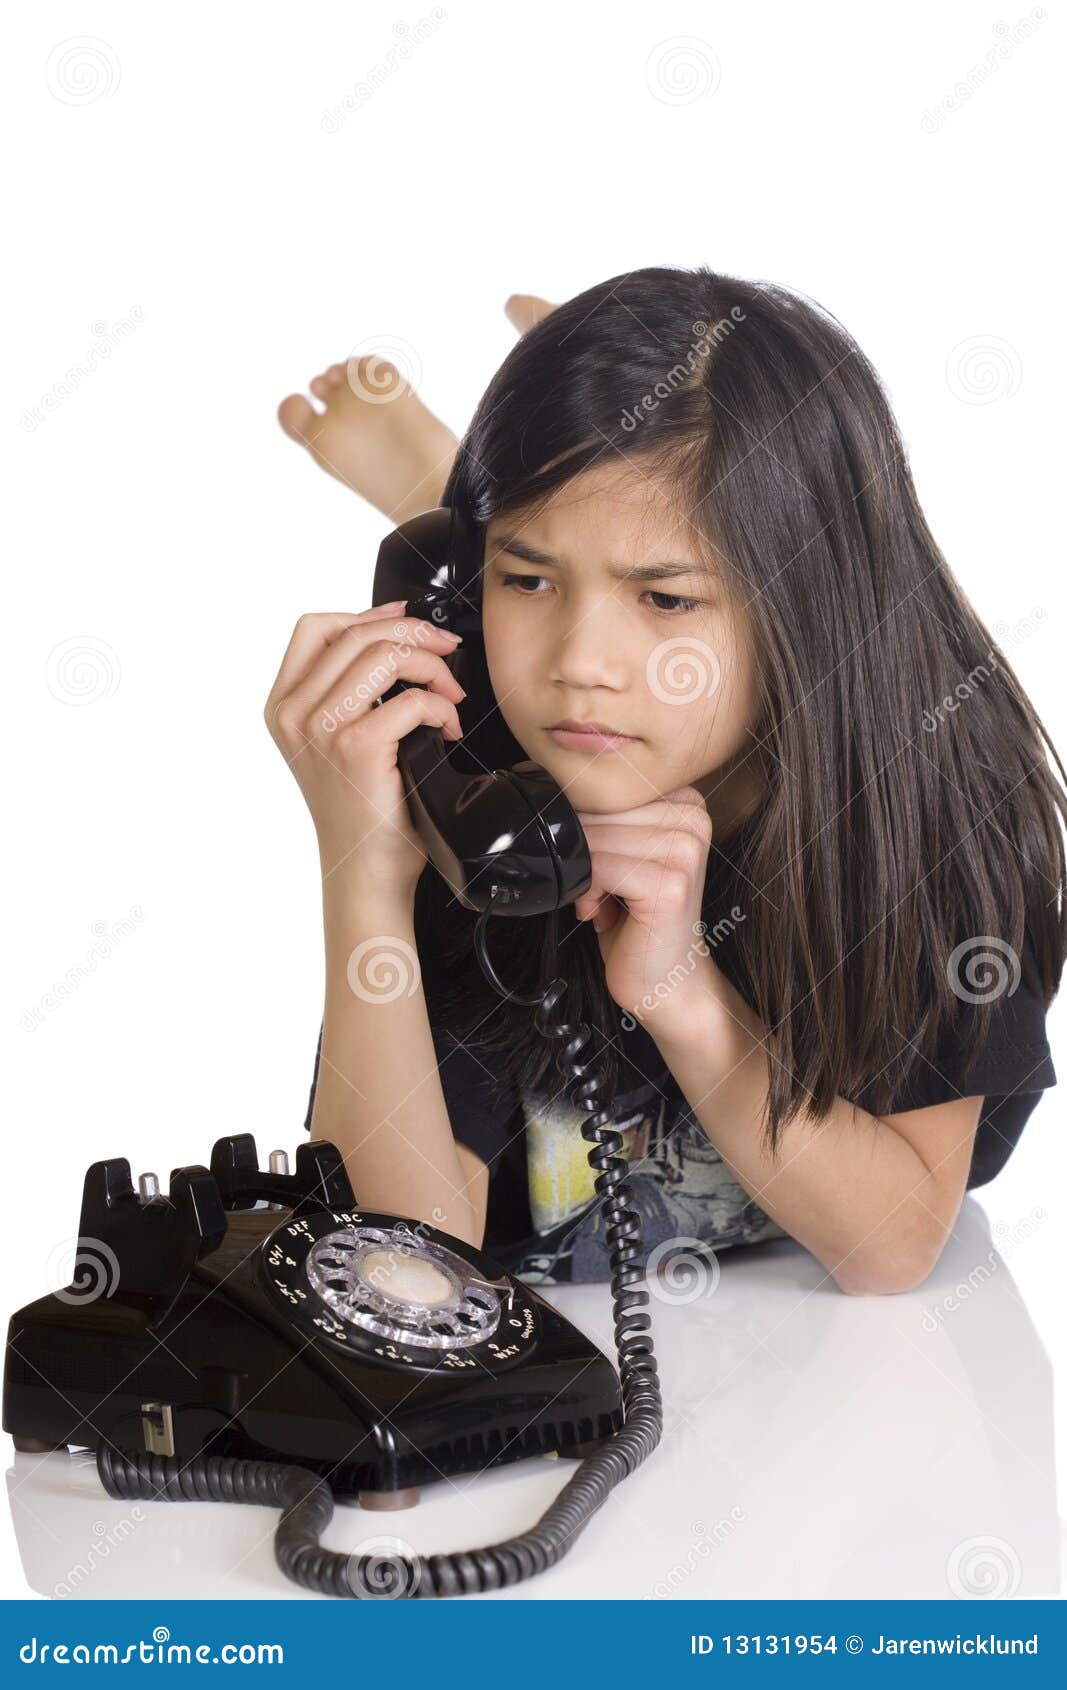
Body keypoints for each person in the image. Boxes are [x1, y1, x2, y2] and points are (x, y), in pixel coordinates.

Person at [264, 268, 1064, 1294]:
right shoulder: (480, 792)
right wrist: (365, 870)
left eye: (667, 600)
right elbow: (402, 1275)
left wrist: (685, 996)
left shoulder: (922, 809)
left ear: (795, 613)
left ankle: (465, 482)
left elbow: (892, 1246)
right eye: (523, 577)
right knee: (606, 544)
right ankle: (477, 503)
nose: (579, 664)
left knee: (734, 537)